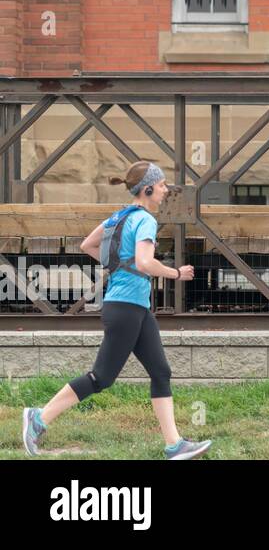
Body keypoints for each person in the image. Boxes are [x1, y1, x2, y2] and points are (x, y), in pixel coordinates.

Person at [22, 161, 212, 459]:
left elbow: (88, 244)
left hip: (134, 307)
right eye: (161, 185)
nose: (165, 190)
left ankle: (174, 445)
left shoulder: (118, 217)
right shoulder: (145, 220)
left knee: (161, 371)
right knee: (102, 377)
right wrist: (176, 273)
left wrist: (117, 266)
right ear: (147, 189)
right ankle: (39, 417)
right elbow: (146, 262)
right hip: (125, 308)